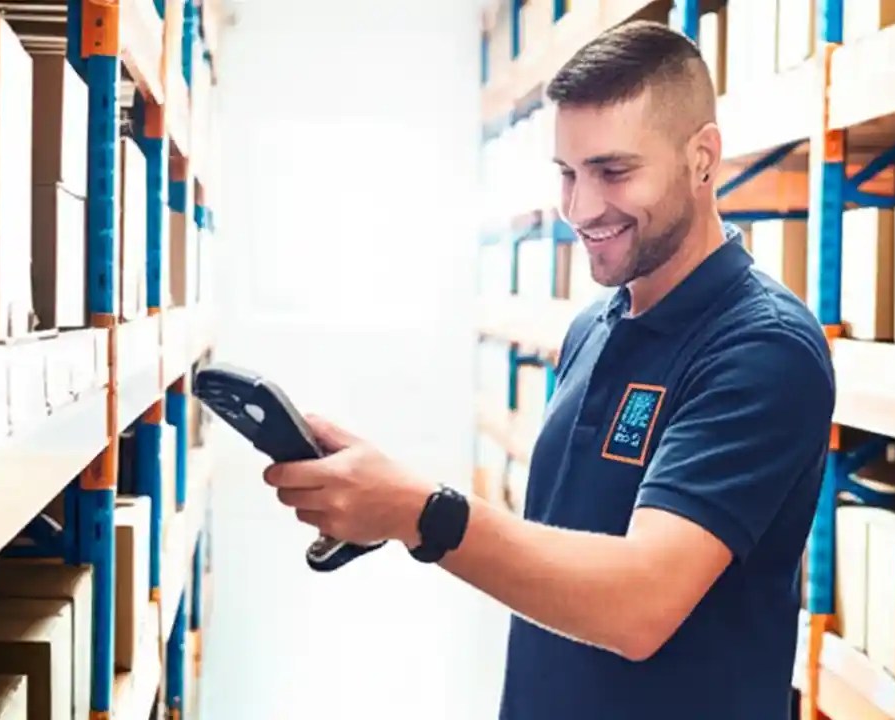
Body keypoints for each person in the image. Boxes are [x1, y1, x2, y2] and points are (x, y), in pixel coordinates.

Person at [262, 19, 836, 719]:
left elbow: (639, 604)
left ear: (703, 158)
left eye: (614, 171)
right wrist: (392, 508)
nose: (580, 208)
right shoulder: (592, 326)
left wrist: (421, 513)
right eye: (567, 173)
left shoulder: (763, 349)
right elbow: (568, 542)